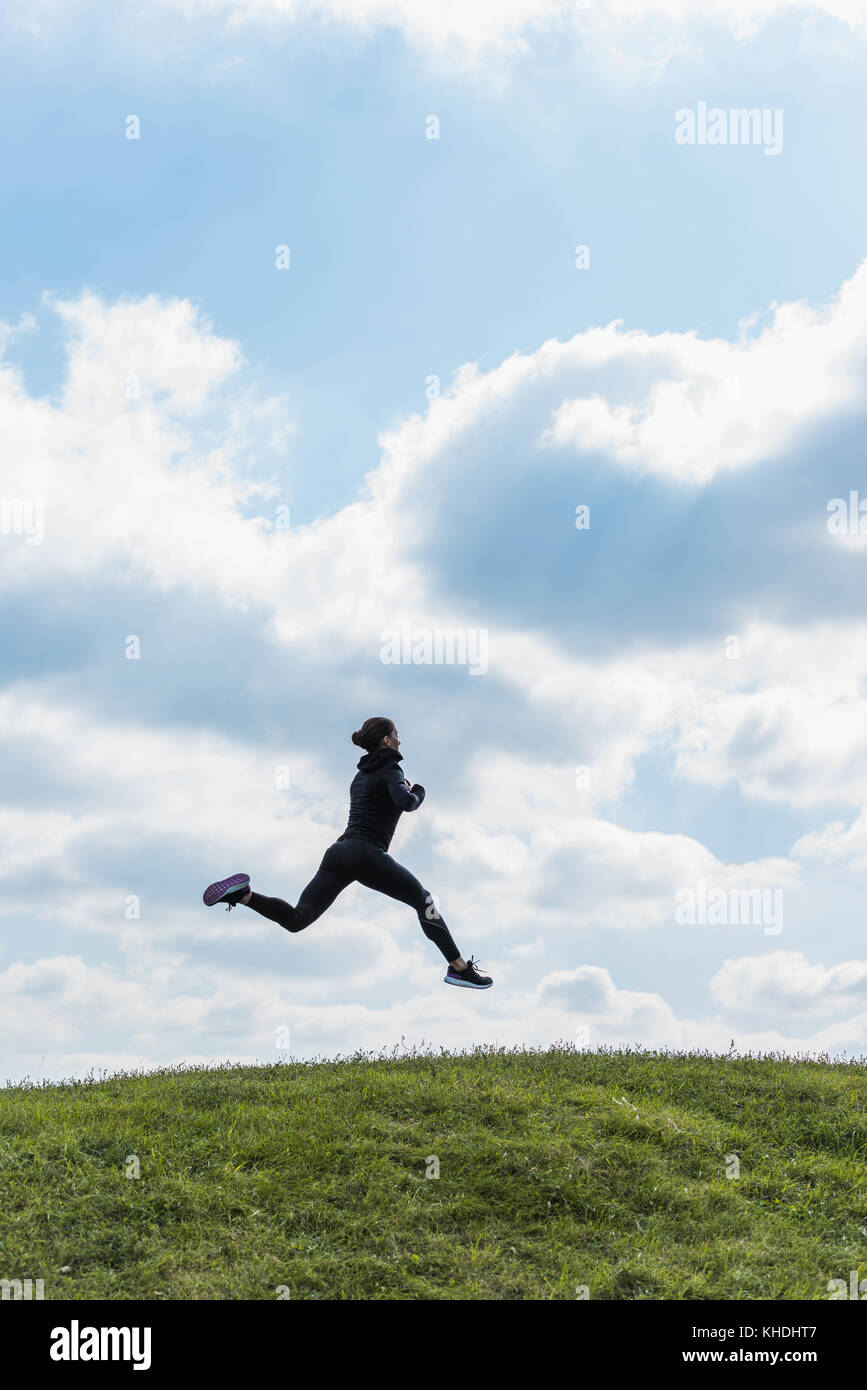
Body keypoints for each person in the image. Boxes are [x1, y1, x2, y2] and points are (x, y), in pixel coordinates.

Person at [202, 717, 492, 989]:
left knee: (297, 920)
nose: (400, 741)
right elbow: (406, 802)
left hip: (338, 854)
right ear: (386, 740)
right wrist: (419, 791)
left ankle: (243, 895)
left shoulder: (359, 777)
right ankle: (459, 968)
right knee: (424, 900)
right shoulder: (391, 768)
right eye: (396, 735)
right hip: (366, 853)